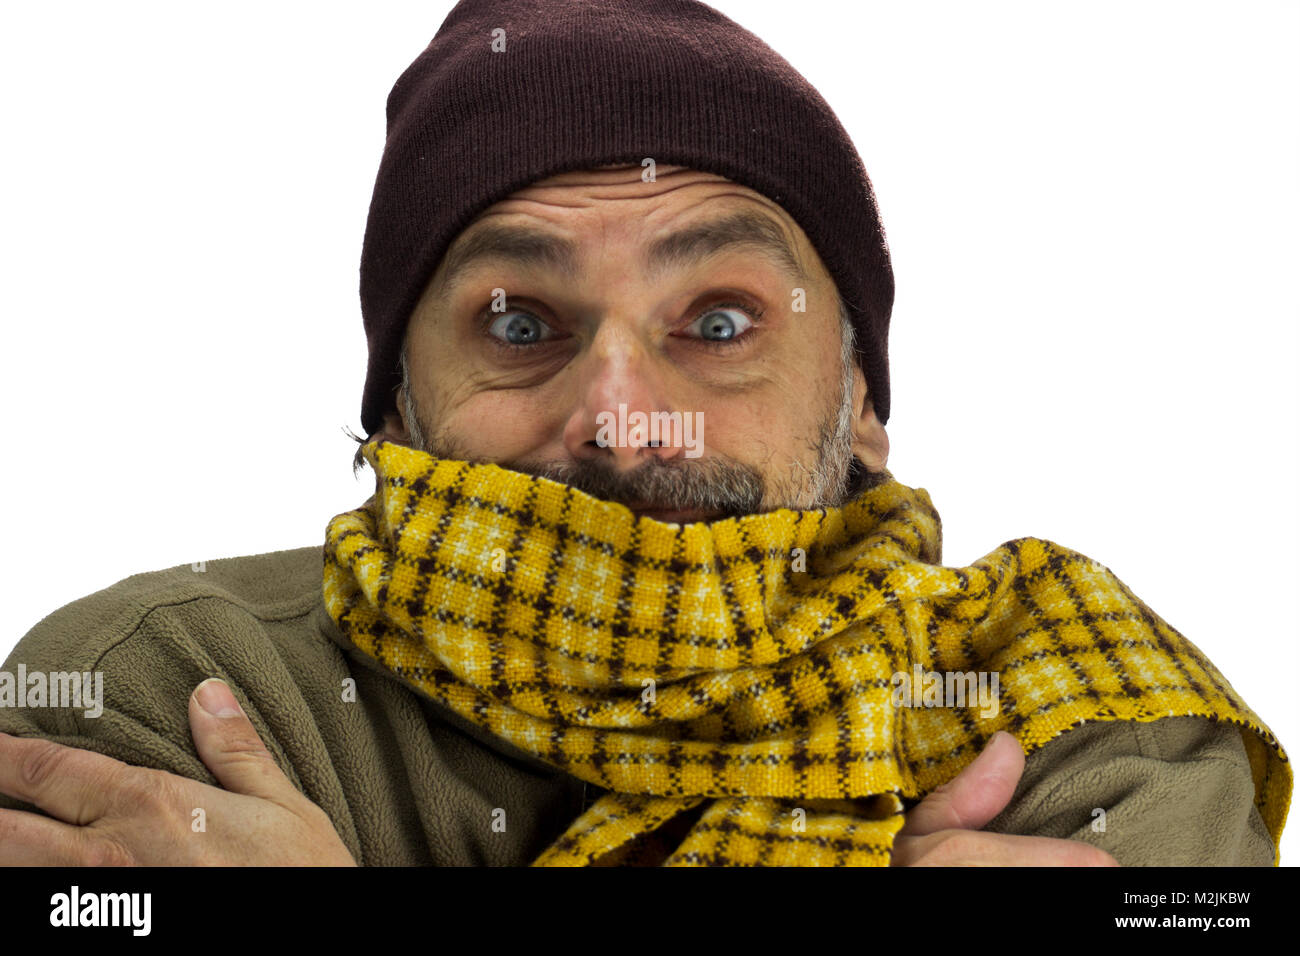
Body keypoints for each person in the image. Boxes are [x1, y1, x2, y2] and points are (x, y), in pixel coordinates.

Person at [0, 0, 1288, 867]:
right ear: (398, 405)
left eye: (719, 324)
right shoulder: (165, 690)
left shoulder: (1080, 706)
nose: (623, 417)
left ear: (864, 410)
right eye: (518, 324)